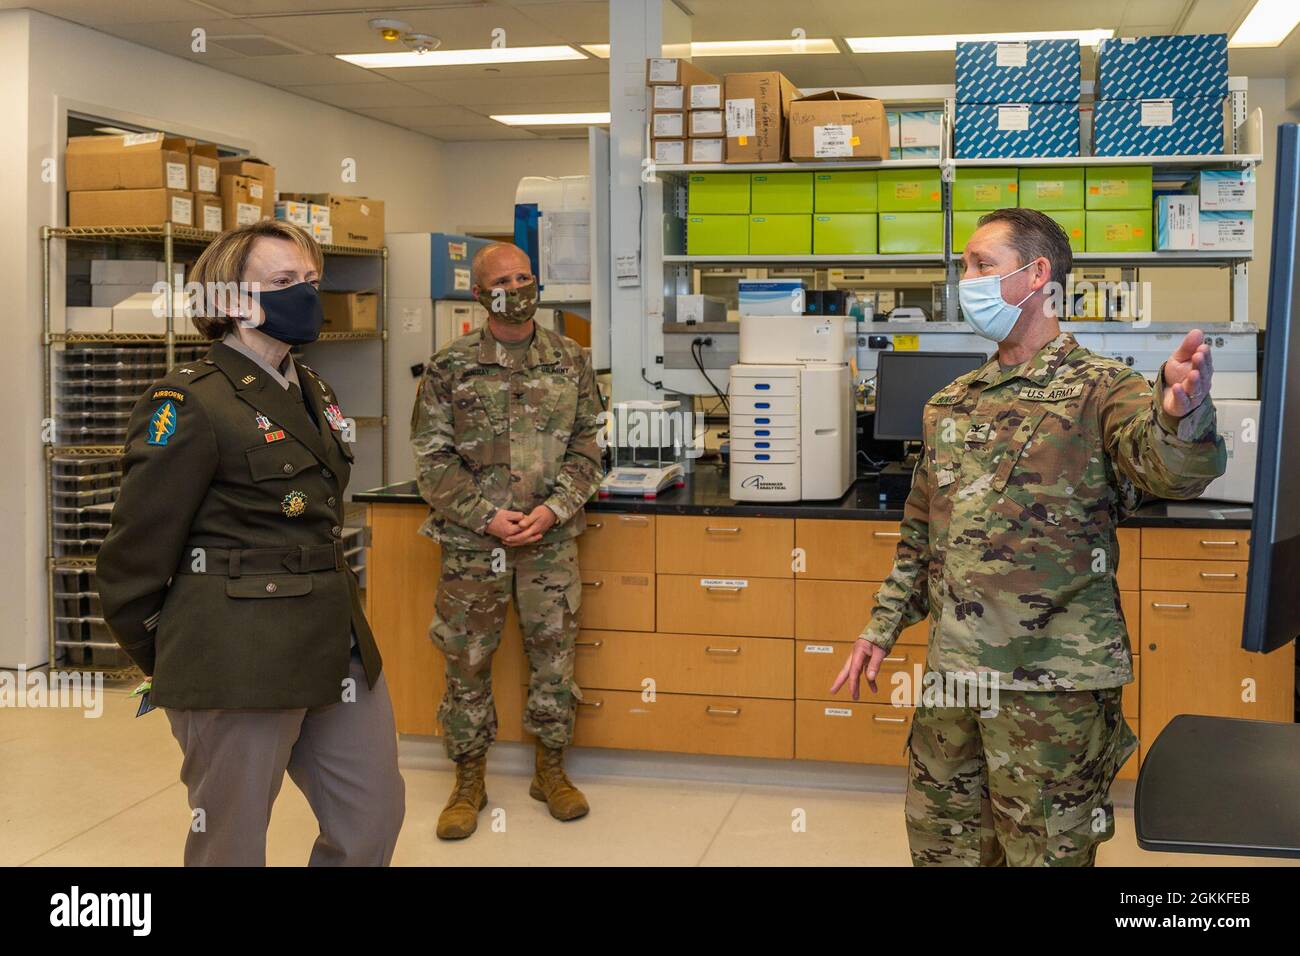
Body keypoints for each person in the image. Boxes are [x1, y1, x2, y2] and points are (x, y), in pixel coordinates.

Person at [832, 207, 1226, 866]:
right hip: (954, 686)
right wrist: (880, 626)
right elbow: (924, 537)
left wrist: (1179, 414)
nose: (968, 279)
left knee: (1044, 855)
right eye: (964, 266)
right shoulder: (953, 402)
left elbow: (1168, 471)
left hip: (1052, 695)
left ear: (1038, 275)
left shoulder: (1102, 389)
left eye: (982, 265)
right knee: (944, 847)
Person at [97, 220, 405, 866]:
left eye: (312, 281)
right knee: (231, 843)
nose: (307, 295)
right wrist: (173, 659)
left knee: (372, 819)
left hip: (334, 638)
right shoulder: (189, 402)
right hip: (235, 652)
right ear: (230, 301)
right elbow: (134, 554)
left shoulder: (312, 388)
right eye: (285, 282)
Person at [410, 241, 604, 840]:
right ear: (479, 293)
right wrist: (486, 517)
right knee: (466, 663)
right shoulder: (450, 366)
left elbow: (590, 447)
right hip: (474, 544)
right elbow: (431, 458)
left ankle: (551, 769)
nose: (517, 288)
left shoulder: (571, 359)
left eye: (525, 277)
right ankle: (468, 779)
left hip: (549, 540)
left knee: (554, 660)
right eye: (503, 280)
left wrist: (552, 510)